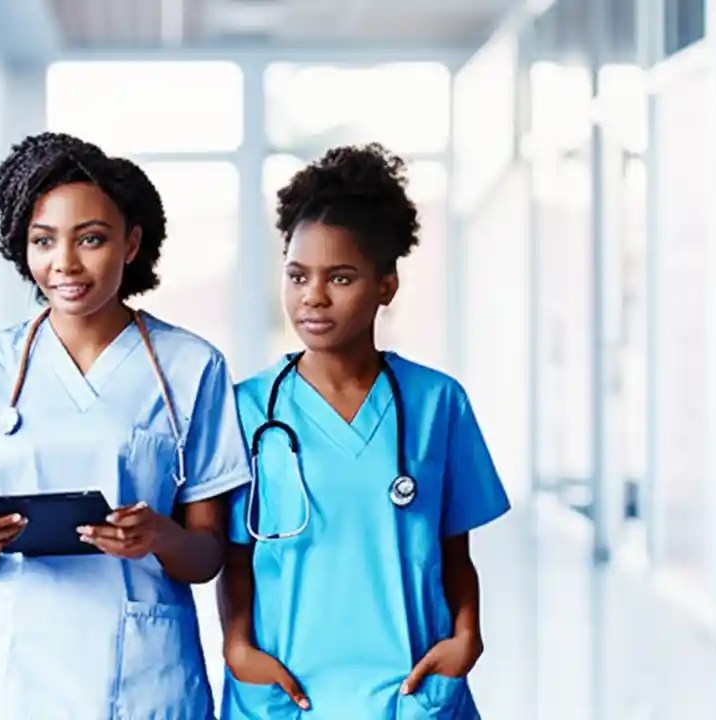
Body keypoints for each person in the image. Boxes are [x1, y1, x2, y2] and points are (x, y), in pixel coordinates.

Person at [0, 132, 251, 719]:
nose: (66, 263)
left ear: (131, 243)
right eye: (43, 241)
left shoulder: (190, 366)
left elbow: (208, 555)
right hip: (10, 680)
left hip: (139, 678)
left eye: (91, 239)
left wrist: (157, 535)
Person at [218, 144, 510, 719]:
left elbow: (454, 550)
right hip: (286, 688)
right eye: (298, 276)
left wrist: (467, 637)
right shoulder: (248, 407)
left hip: (411, 686)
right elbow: (235, 555)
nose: (314, 296)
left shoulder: (436, 403)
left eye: (341, 277)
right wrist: (236, 647)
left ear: (386, 285)